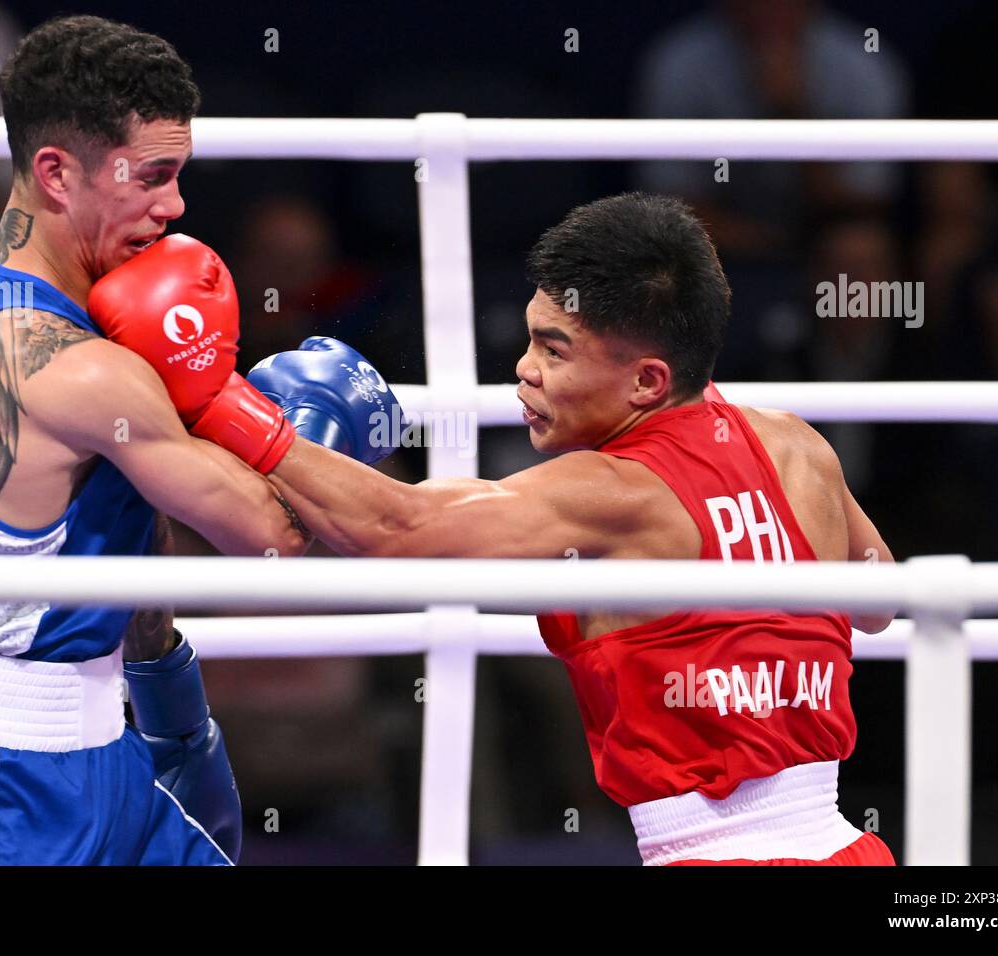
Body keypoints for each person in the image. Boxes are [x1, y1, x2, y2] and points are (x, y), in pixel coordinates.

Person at [122, 192, 898, 866]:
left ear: (646, 381)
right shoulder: (798, 445)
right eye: (530, 337)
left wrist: (216, 399)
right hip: (847, 844)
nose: (523, 370)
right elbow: (875, 602)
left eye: (553, 351)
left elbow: (396, 528)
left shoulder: (614, 491)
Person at [0, 15, 332, 866]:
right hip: (1, 780)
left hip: (109, 743)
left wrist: (168, 701)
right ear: (57, 172)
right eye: (153, 177)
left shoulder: (42, 297)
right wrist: (254, 413)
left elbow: (132, 534)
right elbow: (270, 538)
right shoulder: (68, 365)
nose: (176, 205)